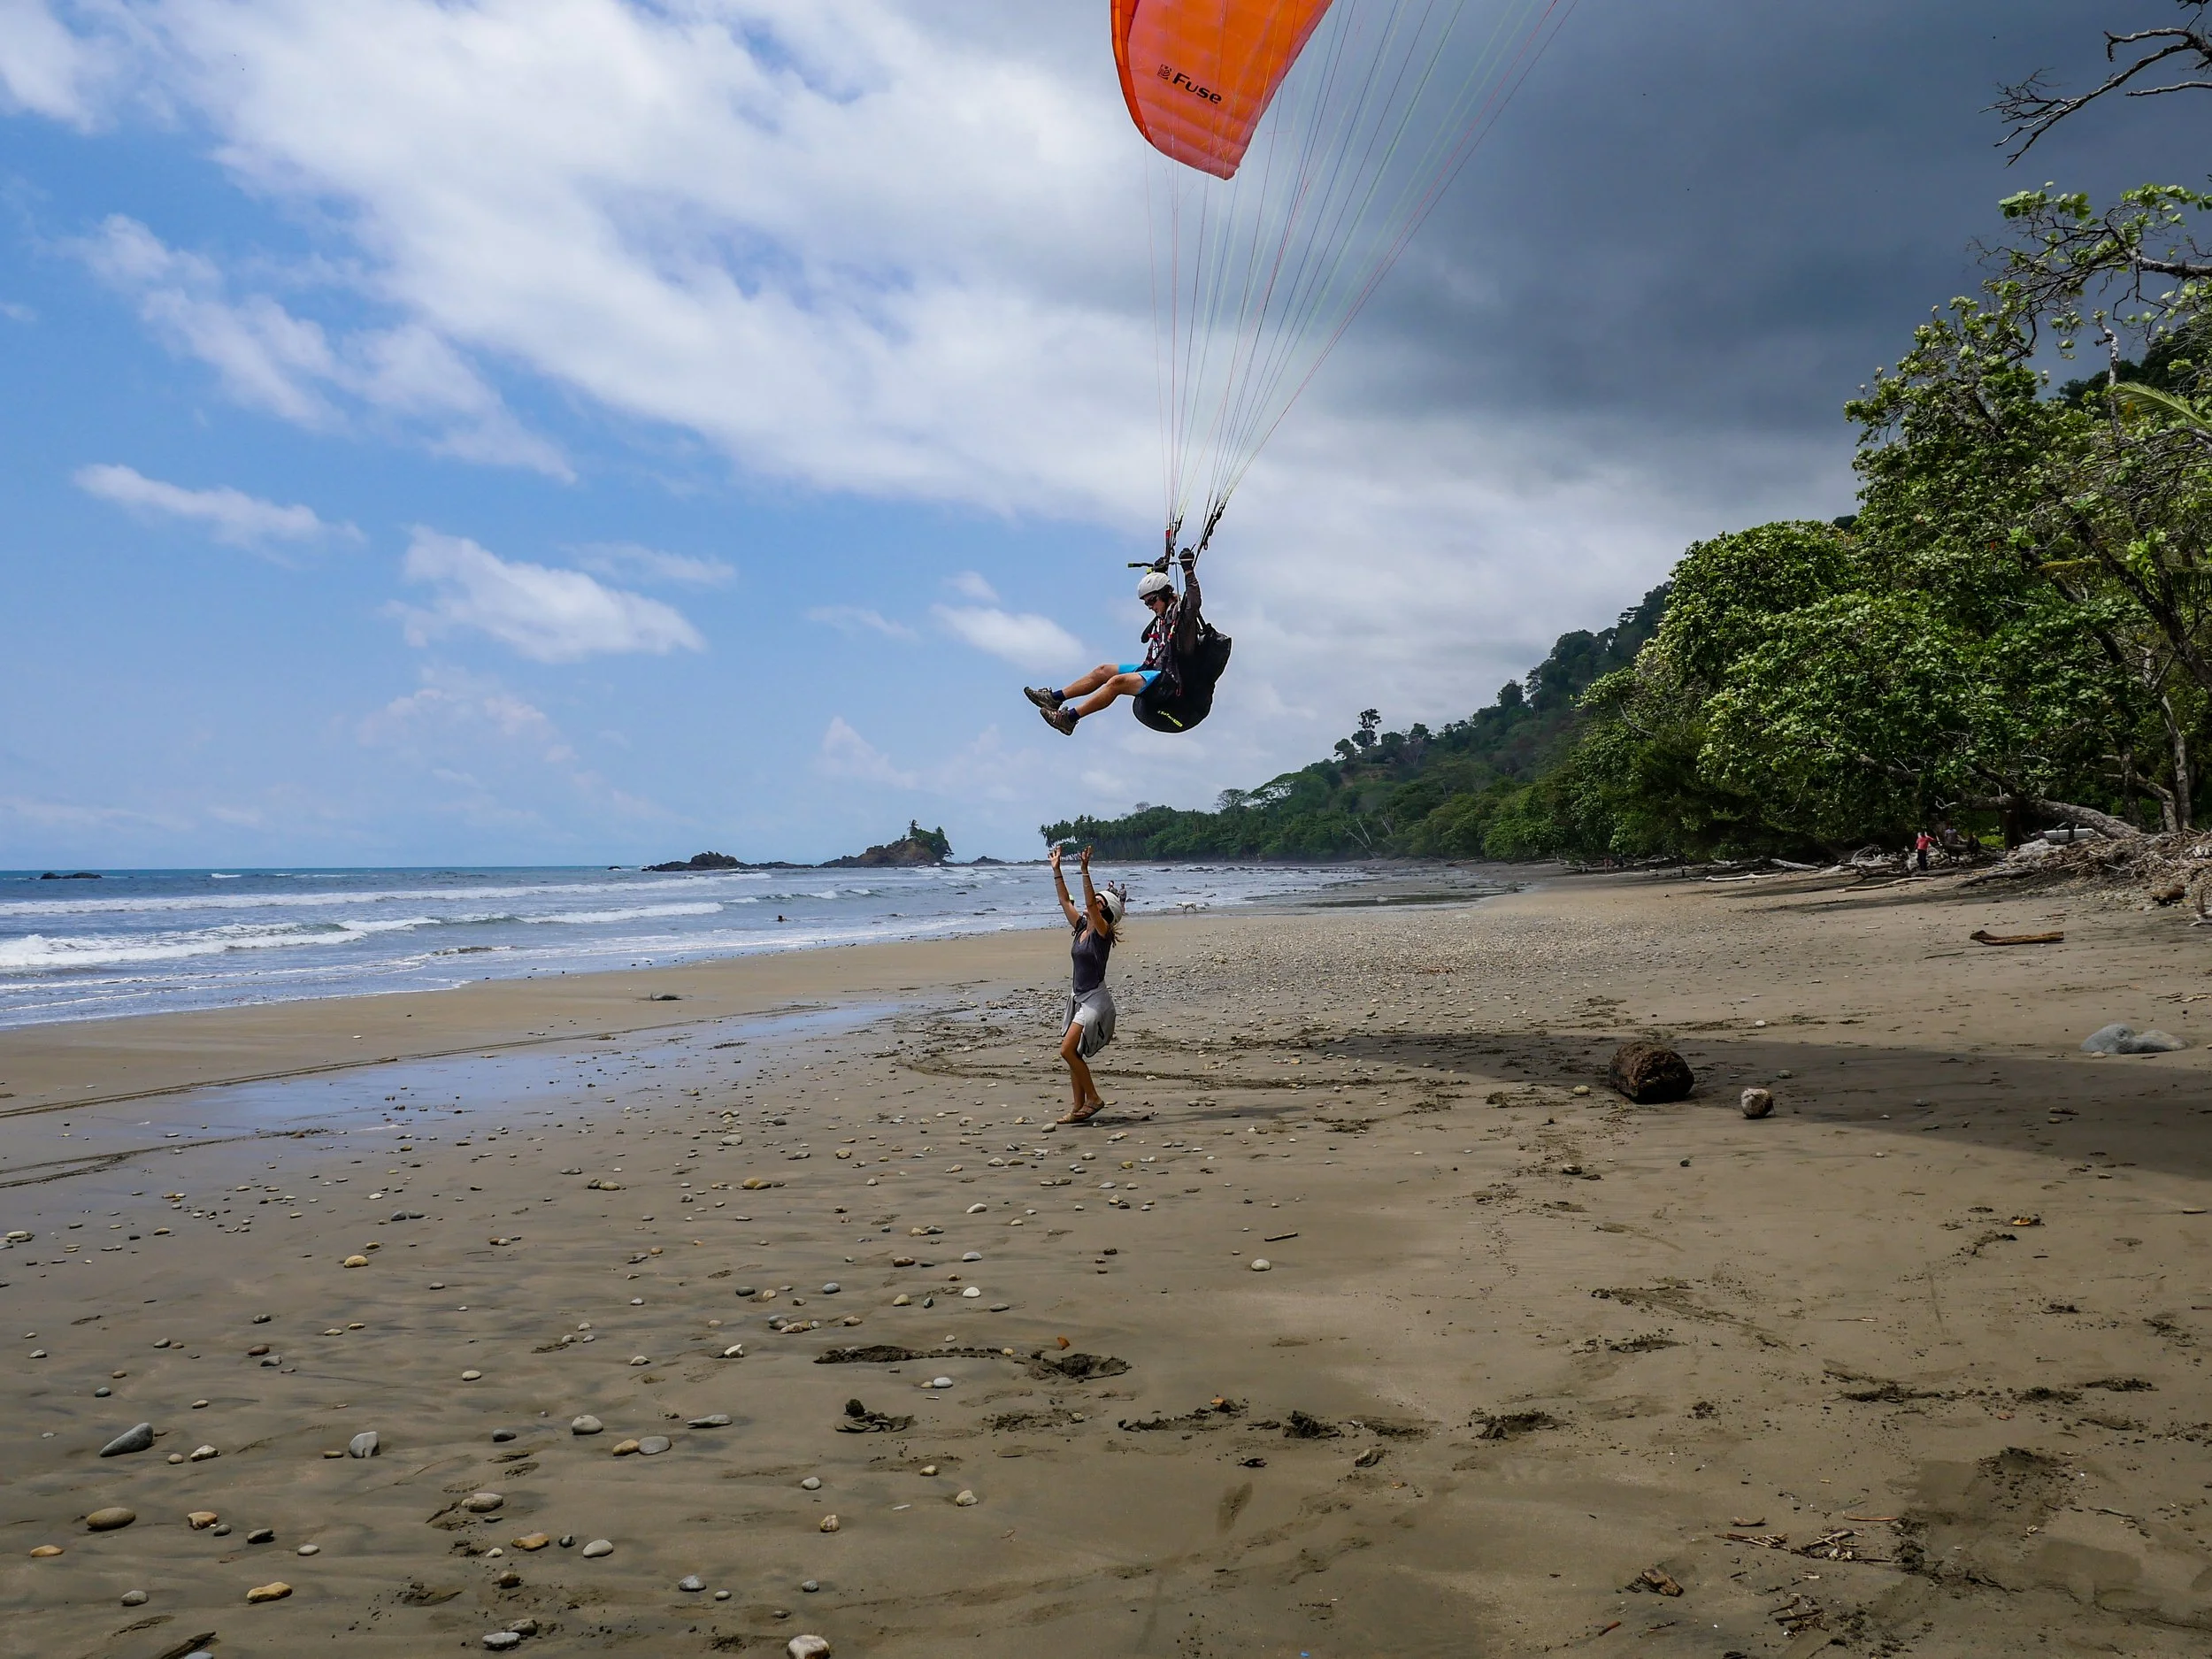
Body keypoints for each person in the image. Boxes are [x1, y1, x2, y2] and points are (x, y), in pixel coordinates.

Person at [1025, 549, 1231, 735]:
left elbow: (1194, 603)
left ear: (1166, 595)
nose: (1149, 606)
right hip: (1155, 668)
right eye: (1146, 603)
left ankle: (1068, 719)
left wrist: (1188, 571)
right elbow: (1161, 588)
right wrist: (1159, 573)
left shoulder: (1183, 617)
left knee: (1116, 683)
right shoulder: (1165, 610)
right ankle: (1054, 698)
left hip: (1171, 682)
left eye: (1152, 601)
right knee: (1103, 670)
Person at [1048, 842, 1124, 1125]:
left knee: (1067, 1050)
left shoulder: (1102, 933)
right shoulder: (1081, 927)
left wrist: (1084, 871)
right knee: (1073, 1053)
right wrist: (1057, 871)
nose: (1092, 904)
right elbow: (1066, 903)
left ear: (1104, 914)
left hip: (1096, 1001)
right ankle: (1078, 1107)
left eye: (1099, 903)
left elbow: (1089, 904)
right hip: (1078, 998)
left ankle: (1092, 1098)